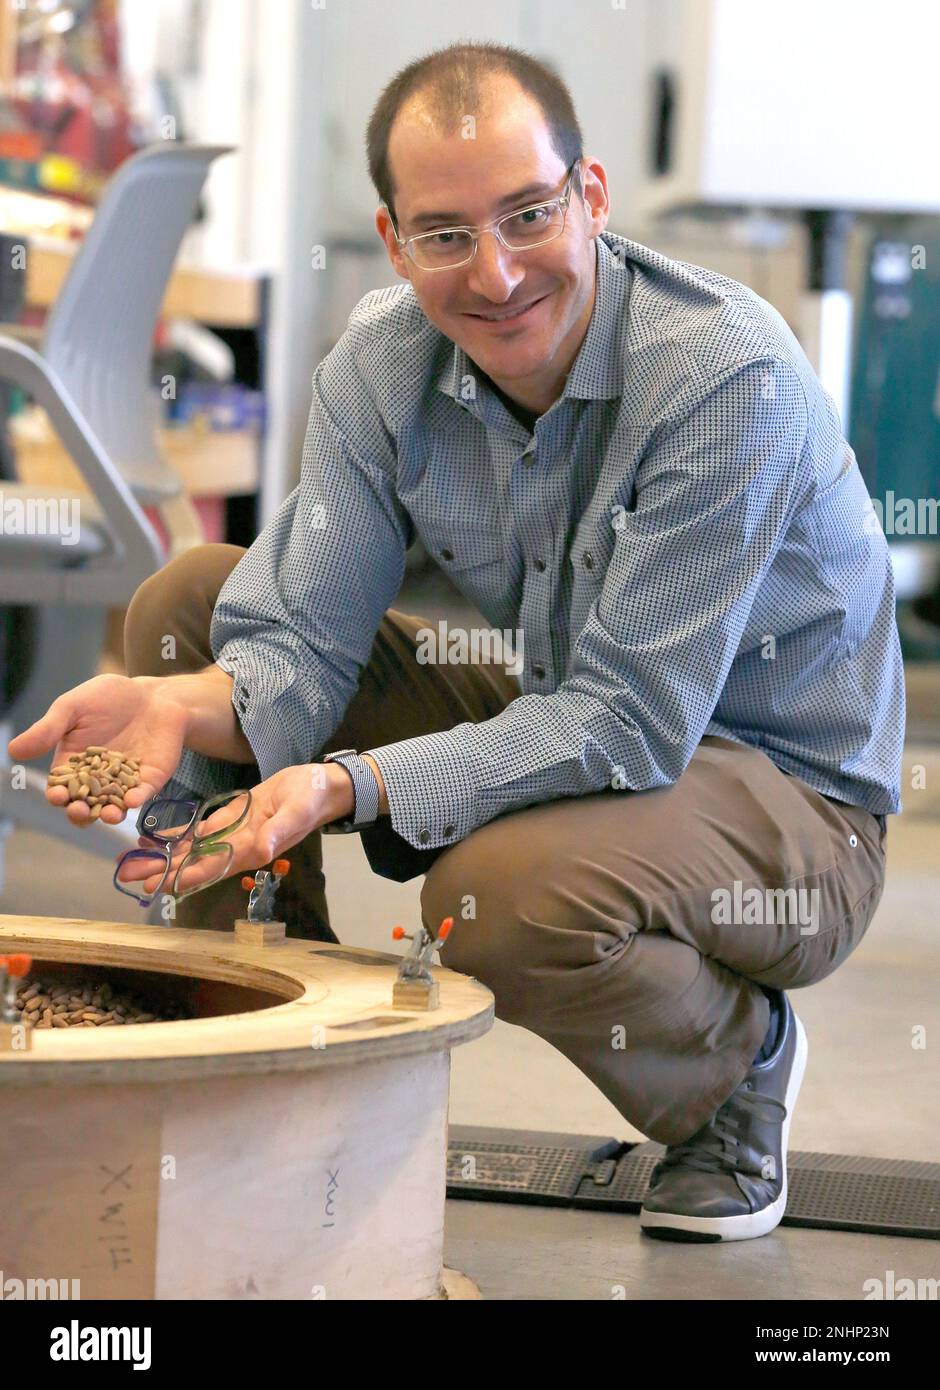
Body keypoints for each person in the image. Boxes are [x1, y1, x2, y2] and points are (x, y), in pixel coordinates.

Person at [8, 41, 903, 1243]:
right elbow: (297, 641)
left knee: (487, 900)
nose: (494, 273)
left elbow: (627, 722)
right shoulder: (382, 366)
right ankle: (266, 1044)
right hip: (575, 699)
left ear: (587, 197)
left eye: (526, 214)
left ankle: (734, 1076)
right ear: (391, 240)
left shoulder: (719, 378)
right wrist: (185, 705)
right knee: (187, 611)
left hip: (788, 806)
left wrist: (346, 783)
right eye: (443, 234)